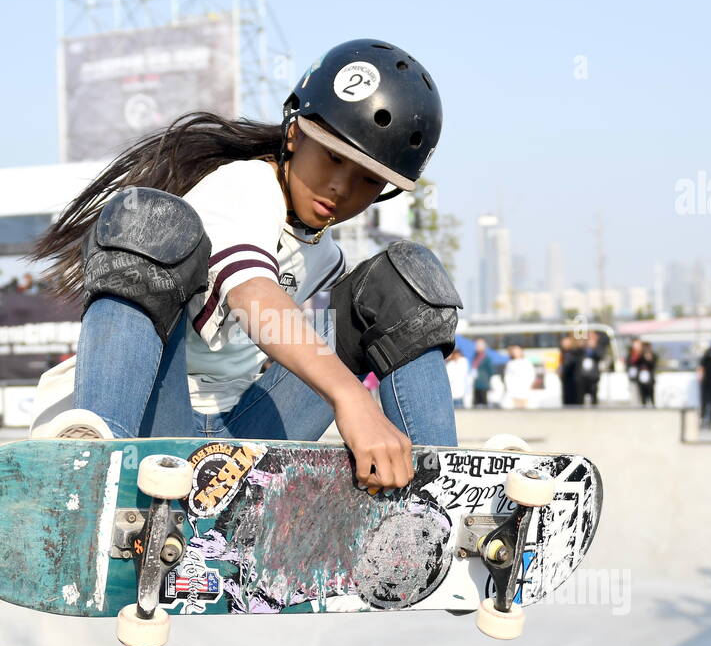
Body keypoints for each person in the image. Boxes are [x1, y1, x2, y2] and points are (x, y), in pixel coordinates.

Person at [27, 38, 455, 490]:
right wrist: (353, 398)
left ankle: (444, 491)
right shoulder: (243, 186)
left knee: (402, 285)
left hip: (238, 438)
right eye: (332, 156)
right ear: (294, 133)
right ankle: (96, 459)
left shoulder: (324, 253)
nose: (339, 189)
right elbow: (256, 298)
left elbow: (372, 324)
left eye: (367, 180)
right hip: (154, 422)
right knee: (146, 221)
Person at [503, 344, 535, 409]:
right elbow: (507, 376)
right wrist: (509, 386)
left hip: (524, 387)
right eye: (514, 351)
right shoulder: (510, 363)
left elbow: (531, 374)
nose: (516, 353)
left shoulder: (526, 362)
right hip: (513, 388)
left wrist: (529, 384)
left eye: (517, 351)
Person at [578, 331, 603, 406]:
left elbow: (600, 356)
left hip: (593, 376)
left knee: (593, 394)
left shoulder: (597, 348)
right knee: (581, 396)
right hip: (582, 376)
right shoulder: (582, 348)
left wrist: (593, 347)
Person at [470, 339, 495, 409]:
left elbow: (491, 371)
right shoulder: (475, 356)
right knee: (476, 404)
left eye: (478, 345)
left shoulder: (487, 358)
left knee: (484, 404)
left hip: (484, 384)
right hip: (476, 383)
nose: (476, 347)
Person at [559, 335, 580, 407]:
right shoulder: (564, 353)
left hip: (572, 381)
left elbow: (569, 365)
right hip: (566, 380)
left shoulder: (575, 353)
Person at [636, 341, 657, 407]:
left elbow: (653, 365)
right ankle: (643, 404)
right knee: (642, 391)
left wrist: (649, 359)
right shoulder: (640, 356)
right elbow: (636, 363)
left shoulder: (653, 355)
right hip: (641, 375)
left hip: (649, 376)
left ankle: (652, 404)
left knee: (650, 391)